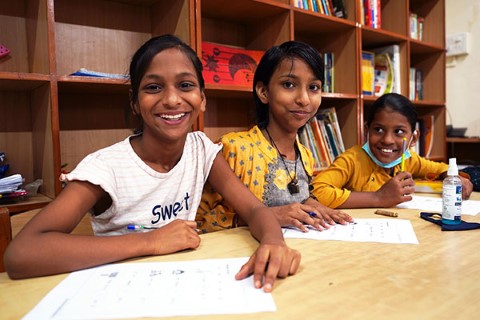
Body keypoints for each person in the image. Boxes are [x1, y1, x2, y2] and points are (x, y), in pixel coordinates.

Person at [4, 34, 301, 292]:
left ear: (202, 98)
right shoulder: (106, 167)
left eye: (185, 85)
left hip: (180, 283)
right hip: (117, 289)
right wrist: (152, 241)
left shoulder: (201, 149)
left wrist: (274, 242)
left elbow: (254, 209)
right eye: (153, 88)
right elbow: (22, 255)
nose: (172, 100)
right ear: (135, 102)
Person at [197, 40, 353, 234]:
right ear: (264, 92)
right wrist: (267, 216)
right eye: (289, 84)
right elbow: (197, 223)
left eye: (313, 87)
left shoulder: (304, 155)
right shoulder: (233, 148)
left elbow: (295, 200)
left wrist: (313, 205)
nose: (304, 99)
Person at [310, 93, 473, 208]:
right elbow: (316, 192)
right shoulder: (352, 160)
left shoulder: (410, 160)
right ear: (367, 131)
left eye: (399, 132)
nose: (387, 140)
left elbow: (439, 168)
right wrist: (377, 198)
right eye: (378, 130)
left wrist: (454, 177)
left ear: (413, 139)